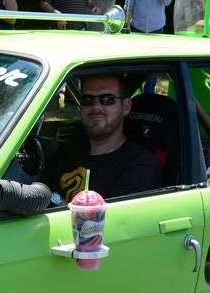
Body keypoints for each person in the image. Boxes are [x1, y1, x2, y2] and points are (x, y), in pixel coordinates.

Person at [41, 74, 160, 203]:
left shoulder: (140, 166)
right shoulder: (66, 153)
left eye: (108, 99)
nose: (96, 107)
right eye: (87, 100)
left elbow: (112, 221)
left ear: (126, 107)